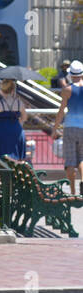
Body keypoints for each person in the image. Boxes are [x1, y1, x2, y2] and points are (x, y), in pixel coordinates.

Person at [52, 60, 83, 195]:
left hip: (70, 127)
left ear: (71, 74)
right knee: (82, 158)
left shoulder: (67, 90)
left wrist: (55, 128)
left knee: (70, 160)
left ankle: (72, 191)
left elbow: (61, 111)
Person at [0, 77, 28, 162]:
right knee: (18, 159)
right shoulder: (19, 103)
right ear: (13, 89)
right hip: (17, 131)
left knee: (1, 159)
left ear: (2, 90)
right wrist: (17, 125)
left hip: (2, 131)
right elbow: (24, 118)